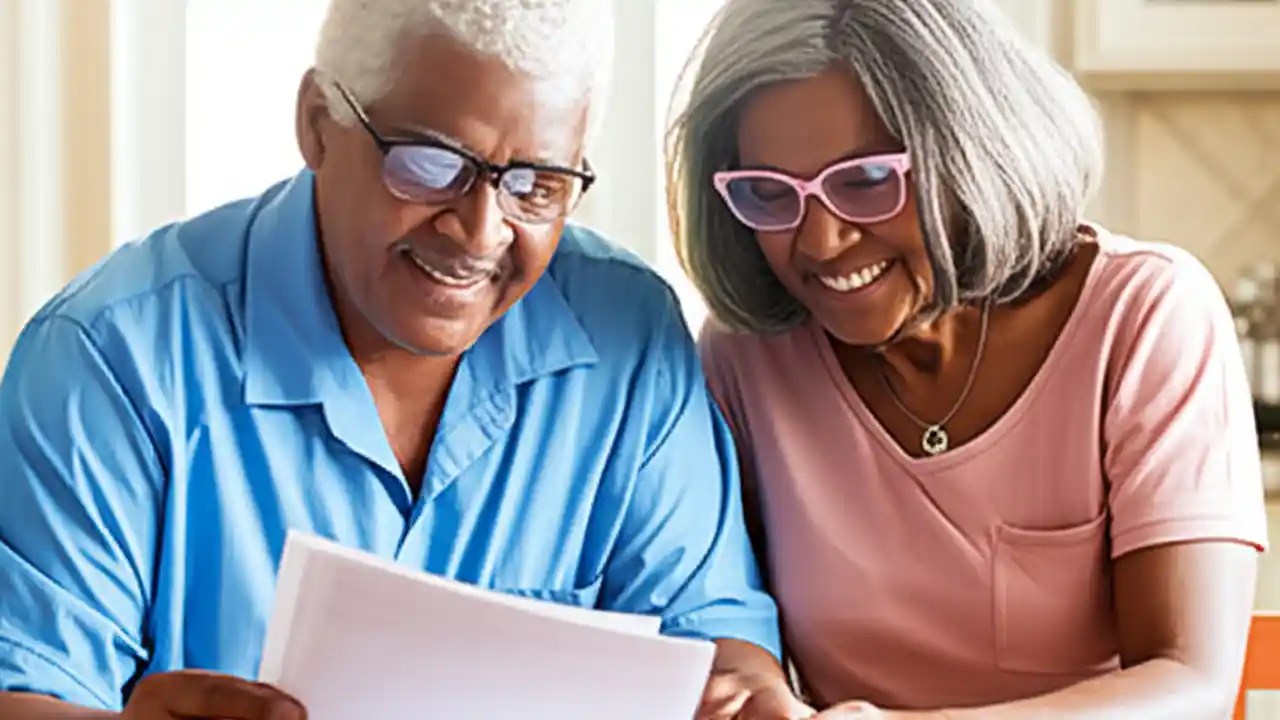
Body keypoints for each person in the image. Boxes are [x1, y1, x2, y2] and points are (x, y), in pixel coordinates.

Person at [0, 1, 811, 718]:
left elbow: (713, 650)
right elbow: (31, 688)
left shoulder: (626, 338)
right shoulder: (111, 358)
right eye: (430, 164)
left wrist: (745, 701)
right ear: (319, 122)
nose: (480, 232)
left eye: (536, 185)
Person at [667, 0, 1268, 718]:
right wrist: (756, 688)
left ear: (973, 150)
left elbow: (1191, 679)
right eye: (770, 195)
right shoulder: (745, 359)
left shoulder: (1142, 314)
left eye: (865, 182)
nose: (820, 242)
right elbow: (723, 619)